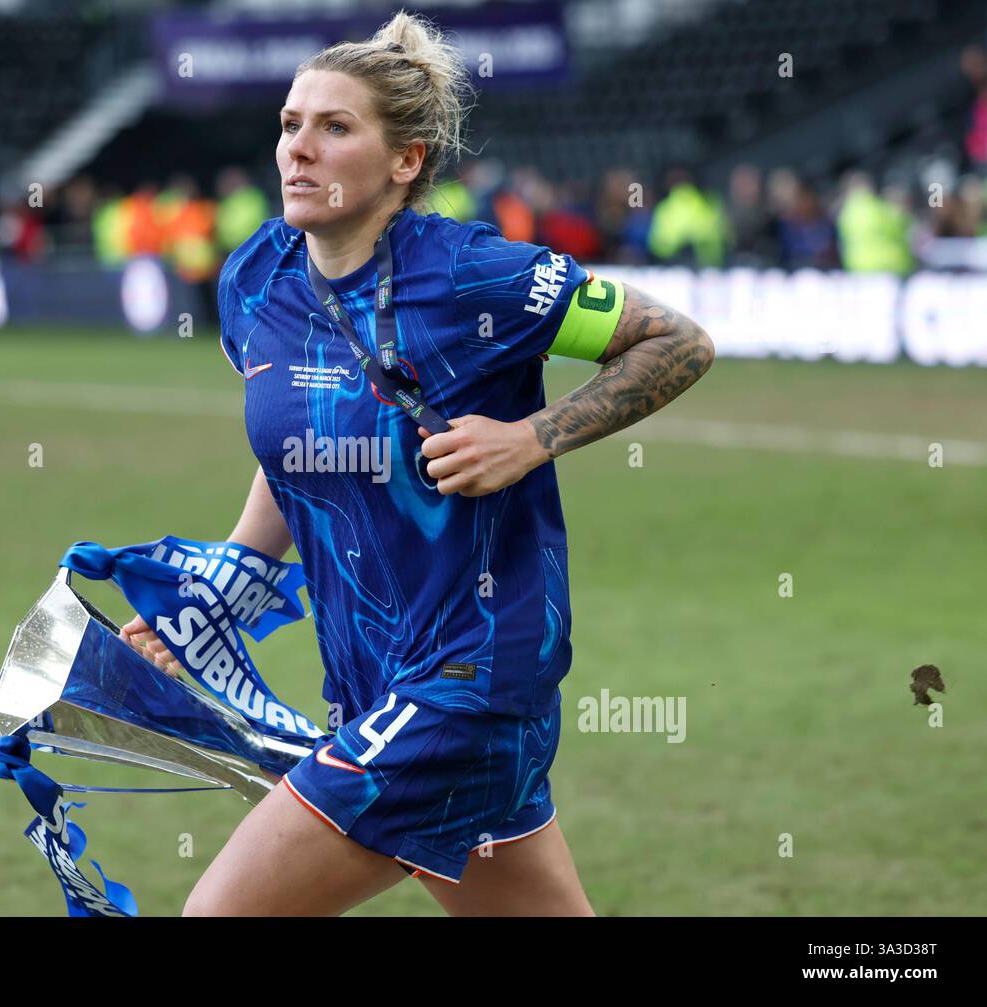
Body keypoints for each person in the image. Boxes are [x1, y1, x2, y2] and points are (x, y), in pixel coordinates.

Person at [121, 10, 714, 916]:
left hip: (471, 684)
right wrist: (223, 587)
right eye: (289, 125)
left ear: (406, 162)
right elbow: (298, 455)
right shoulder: (255, 280)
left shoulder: (479, 277)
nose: (298, 150)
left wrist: (532, 438)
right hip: (369, 681)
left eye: (333, 127)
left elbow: (676, 340)